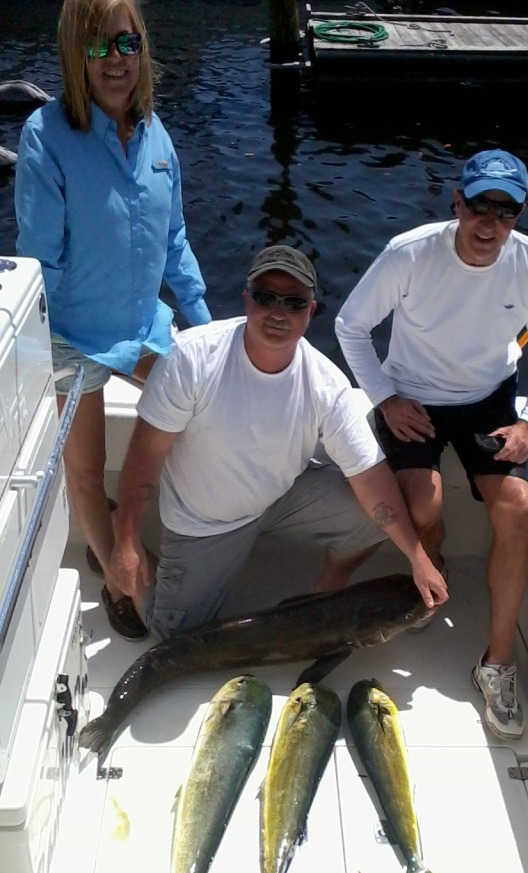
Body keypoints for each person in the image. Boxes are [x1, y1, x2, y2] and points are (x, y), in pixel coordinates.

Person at [335, 149, 528, 740]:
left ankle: (496, 664)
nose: (490, 222)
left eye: (506, 209)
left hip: (491, 401)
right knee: (423, 504)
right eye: (480, 205)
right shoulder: (409, 253)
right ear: (457, 202)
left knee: (517, 511)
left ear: (519, 213)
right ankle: (431, 567)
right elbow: (350, 325)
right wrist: (386, 397)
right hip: (412, 397)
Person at [108, 244, 448, 638]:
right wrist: (127, 539)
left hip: (281, 497)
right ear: (246, 300)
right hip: (205, 522)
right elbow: (143, 459)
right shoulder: (191, 358)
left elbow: (372, 479)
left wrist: (418, 557)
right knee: (172, 633)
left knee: (375, 516)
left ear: (311, 312)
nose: (278, 312)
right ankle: (113, 523)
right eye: (265, 297)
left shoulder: (325, 383)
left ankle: (326, 593)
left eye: (293, 302)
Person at [14, 0, 211, 641]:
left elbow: (175, 239)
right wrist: (44, 349)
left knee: (204, 421)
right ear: (76, 55)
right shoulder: (47, 136)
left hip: (147, 329)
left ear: (141, 47)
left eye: (124, 43)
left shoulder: (158, 137)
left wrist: (206, 329)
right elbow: (38, 256)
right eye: (97, 47)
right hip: (73, 335)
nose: (114, 60)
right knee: (82, 466)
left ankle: (141, 528)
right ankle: (115, 569)